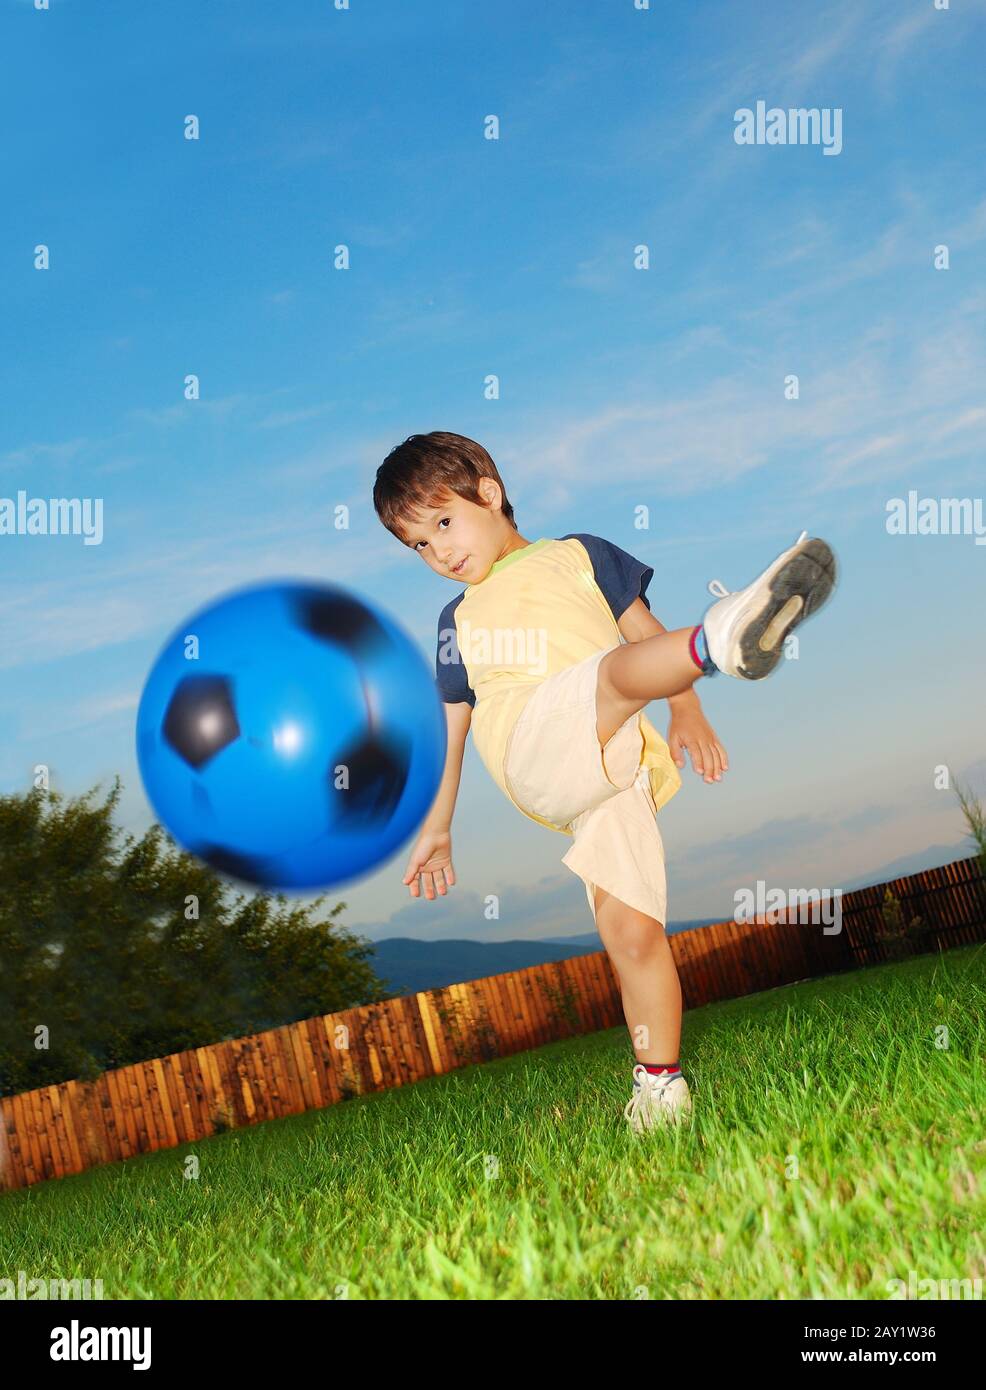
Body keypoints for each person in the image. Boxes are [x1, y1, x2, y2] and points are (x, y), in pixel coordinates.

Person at [373, 432, 837, 1133]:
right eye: (418, 544)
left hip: (609, 769)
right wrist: (438, 825)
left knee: (636, 934)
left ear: (490, 494)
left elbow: (640, 631)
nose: (439, 552)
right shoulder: (455, 621)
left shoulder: (580, 556)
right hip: (531, 746)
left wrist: (686, 709)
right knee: (615, 678)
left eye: (443, 523)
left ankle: (659, 1091)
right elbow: (455, 726)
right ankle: (716, 641)